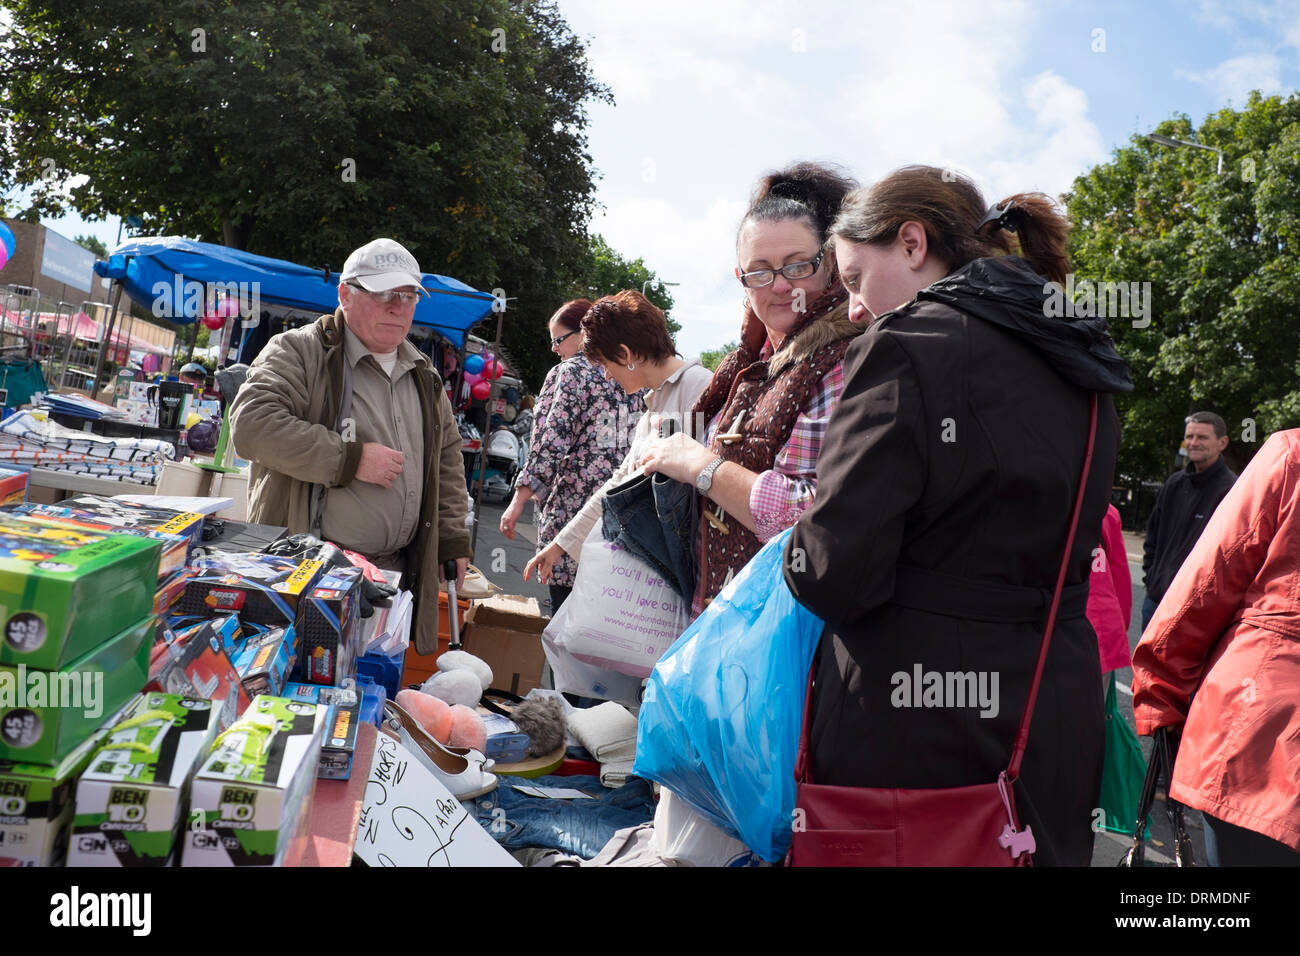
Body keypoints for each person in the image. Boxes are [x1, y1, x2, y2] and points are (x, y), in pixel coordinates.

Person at [783, 165, 1133, 866]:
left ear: (912, 243)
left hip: (913, 730)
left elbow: (834, 573)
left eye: (855, 279)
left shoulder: (906, 345)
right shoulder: (1084, 367)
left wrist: (790, 538)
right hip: (1051, 717)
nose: (852, 307)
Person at [638, 162, 864, 616]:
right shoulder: (752, 362)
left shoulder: (846, 360)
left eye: (797, 265)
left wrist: (701, 465)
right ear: (740, 278)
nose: (780, 285)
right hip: (720, 618)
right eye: (759, 271)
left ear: (830, 263)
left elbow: (812, 517)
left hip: (782, 630)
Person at [230, 237, 470, 656]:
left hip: (392, 578)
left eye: (409, 295)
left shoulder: (423, 372)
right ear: (345, 294)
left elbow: (447, 460)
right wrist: (350, 459)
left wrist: (450, 539)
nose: (398, 306)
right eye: (383, 294)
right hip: (310, 574)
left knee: (373, 699)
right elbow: (251, 425)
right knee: (305, 695)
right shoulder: (299, 351)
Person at [1132, 429, 1300, 865]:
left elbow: (1211, 577)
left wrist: (1159, 692)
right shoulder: (1178, 484)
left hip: (1261, 739)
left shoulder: (1290, 454)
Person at [522, 290, 714, 586]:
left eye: (605, 365)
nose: (607, 376)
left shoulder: (698, 388)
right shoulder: (655, 404)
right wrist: (560, 545)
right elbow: (619, 483)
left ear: (625, 355)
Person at [499, 299, 641, 612]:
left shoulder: (570, 373)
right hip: (621, 517)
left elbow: (550, 443)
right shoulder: (631, 375)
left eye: (558, 340)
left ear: (583, 333)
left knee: (565, 623)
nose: (554, 349)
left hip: (571, 519)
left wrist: (518, 500)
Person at [1140, 411, 1236, 629]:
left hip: (1197, 611)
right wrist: (1152, 579)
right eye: (1190, 437)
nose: (1193, 443)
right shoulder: (1173, 484)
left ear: (1222, 443)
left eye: (1202, 437)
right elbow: (1152, 536)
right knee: (1145, 665)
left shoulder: (1231, 491)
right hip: (1156, 602)